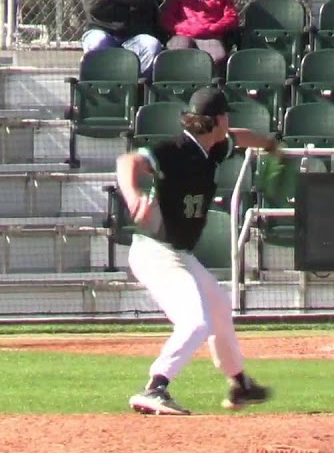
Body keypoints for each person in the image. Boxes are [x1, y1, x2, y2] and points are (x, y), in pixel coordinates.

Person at [116, 88, 276, 415]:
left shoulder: (211, 148)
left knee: (219, 307)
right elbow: (128, 161)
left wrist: (271, 145)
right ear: (218, 120)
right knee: (195, 323)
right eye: (226, 117)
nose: (229, 124)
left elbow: (240, 137)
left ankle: (241, 384)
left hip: (179, 254)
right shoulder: (177, 149)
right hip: (156, 252)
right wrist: (134, 198)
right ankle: (155, 387)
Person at [159, 0, 240, 67]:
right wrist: (184, 28)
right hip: (183, 34)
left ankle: (212, 82)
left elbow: (231, 18)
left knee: (217, 57)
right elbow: (167, 19)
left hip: (210, 35)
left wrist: (212, 28)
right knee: (177, 53)